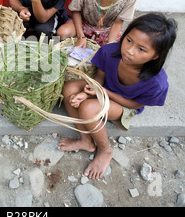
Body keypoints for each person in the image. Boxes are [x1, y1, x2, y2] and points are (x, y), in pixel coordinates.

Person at [58, 13, 178, 179]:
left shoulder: (156, 83)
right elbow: (100, 77)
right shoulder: (109, 51)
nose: (129, 50)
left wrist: (102, 94)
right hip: (104, 90)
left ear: (156, 55)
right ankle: (85, 140)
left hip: (125, 105)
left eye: (141, 49)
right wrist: (87, 91)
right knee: (69, 89)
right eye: (129, 40)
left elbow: (134, 105)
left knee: (88, 108)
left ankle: (105, 150)